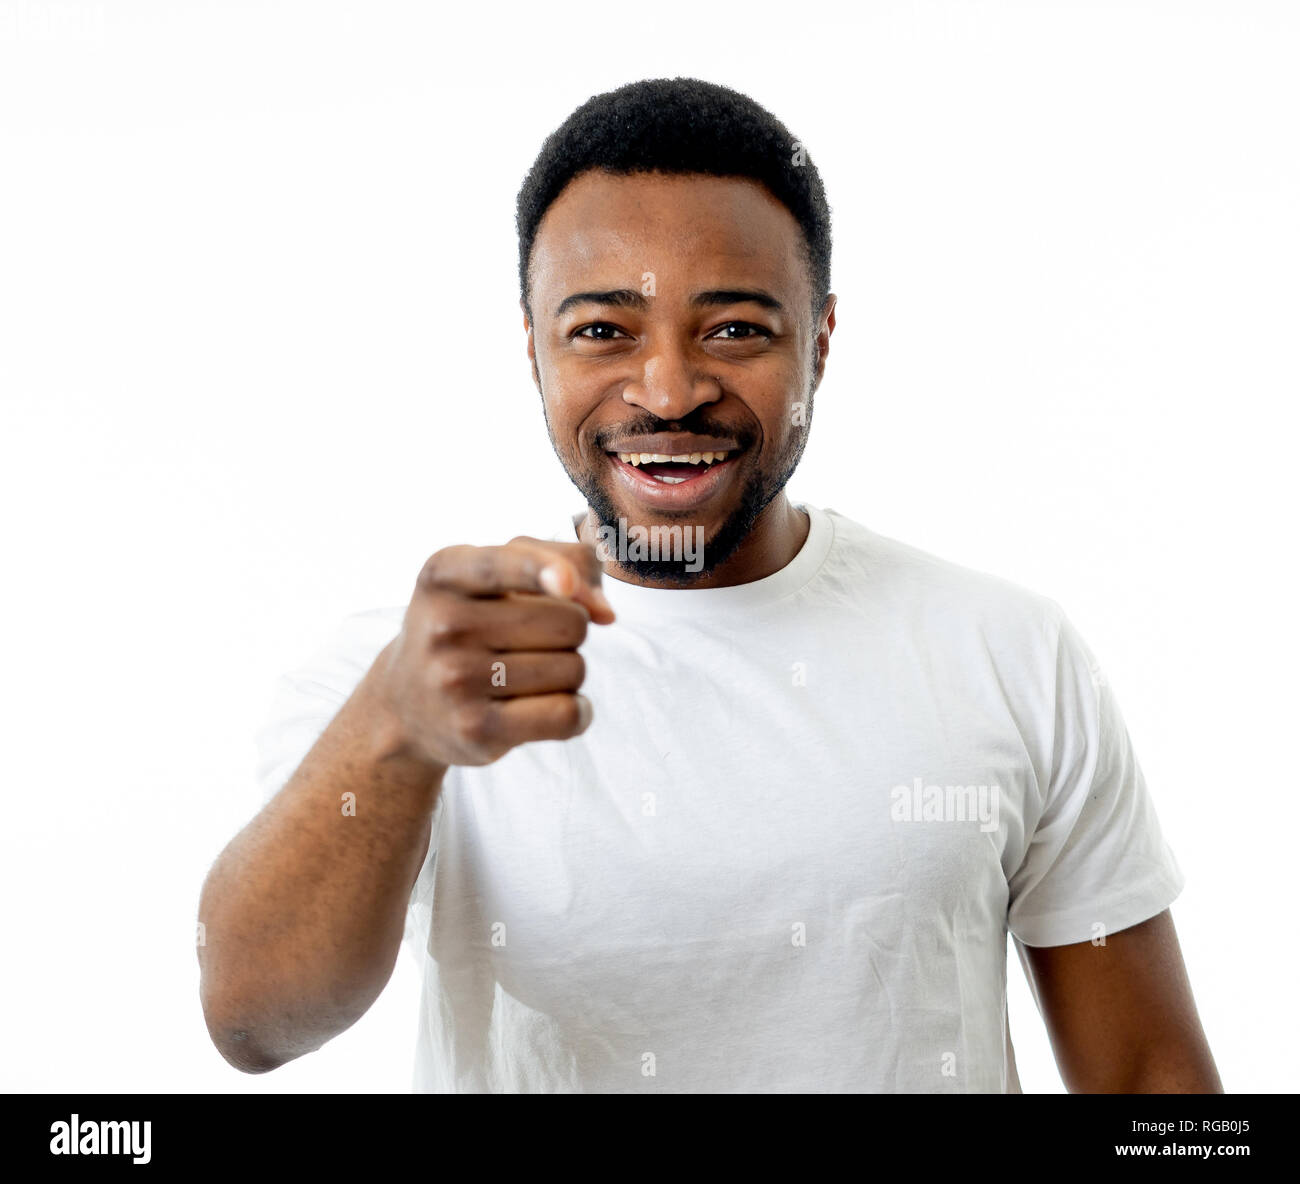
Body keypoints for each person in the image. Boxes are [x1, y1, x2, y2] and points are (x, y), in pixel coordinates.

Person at [197, 77, 1221, 1093]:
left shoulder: (1004, 648)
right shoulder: (415, 669)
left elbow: (1148, 1077)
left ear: (818, 341)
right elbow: (253, 1017)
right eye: (603, 330)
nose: (669, 389)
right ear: (533, 348)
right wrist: (396, 727)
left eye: (734, 328)